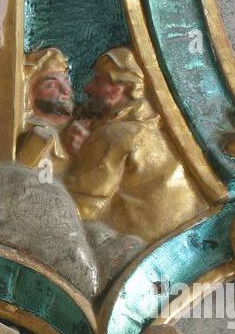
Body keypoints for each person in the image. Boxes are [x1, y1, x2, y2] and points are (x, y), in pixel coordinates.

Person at [63, 47, 204, 243]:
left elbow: (82, 208)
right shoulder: (159, 128)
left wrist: (77, 157)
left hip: (131, 250)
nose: (88, 89)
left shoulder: (115, 135)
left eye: (98, 81)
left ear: (122, 88)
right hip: (181, 242)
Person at [17, 46, 74, 177]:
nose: (66, 91)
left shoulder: (79, 122)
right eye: (51, 85)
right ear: (29, 91)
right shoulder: (39, 135)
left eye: (66, 79)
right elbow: (44, 181)